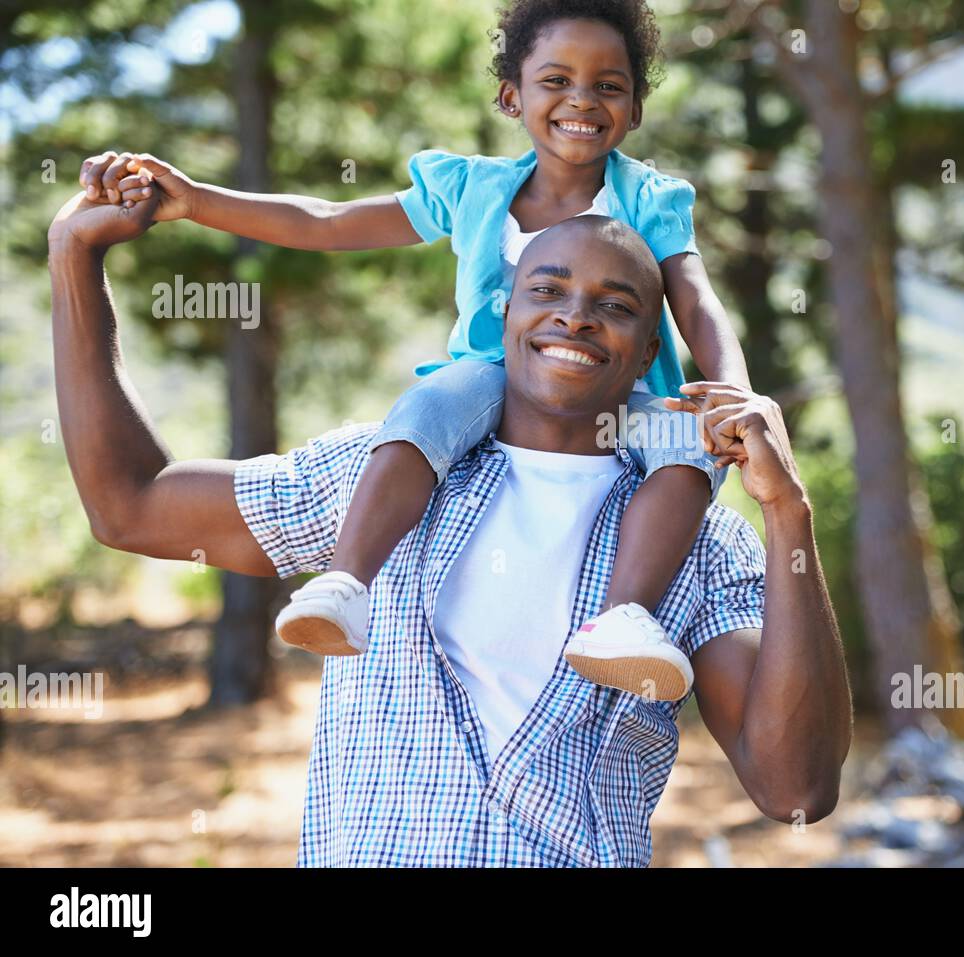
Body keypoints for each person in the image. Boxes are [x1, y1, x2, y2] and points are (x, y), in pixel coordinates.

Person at [48, 185, 852, 866]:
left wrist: (789, 513)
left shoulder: (701, 543)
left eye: (614, 306)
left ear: (648, 353)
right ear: (503, 314)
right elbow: (132, 504)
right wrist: (74, 261)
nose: (575, 318)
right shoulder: (384, 477)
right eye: (549, 290)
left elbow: (795, 790)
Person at [76, 0, 749, 704]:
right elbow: (332, 221)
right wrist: (197, 201)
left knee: (684, 447)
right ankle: (346, 582)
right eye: (556, 80)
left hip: (619, 390)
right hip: (490, 378)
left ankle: (621, 617)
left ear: (636, 108)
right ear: (511, 95)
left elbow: (695, 298)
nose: (581, 99)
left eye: (609, 86)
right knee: (424, 411)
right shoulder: (473, 189)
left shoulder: (648, 198)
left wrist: (732, 385)